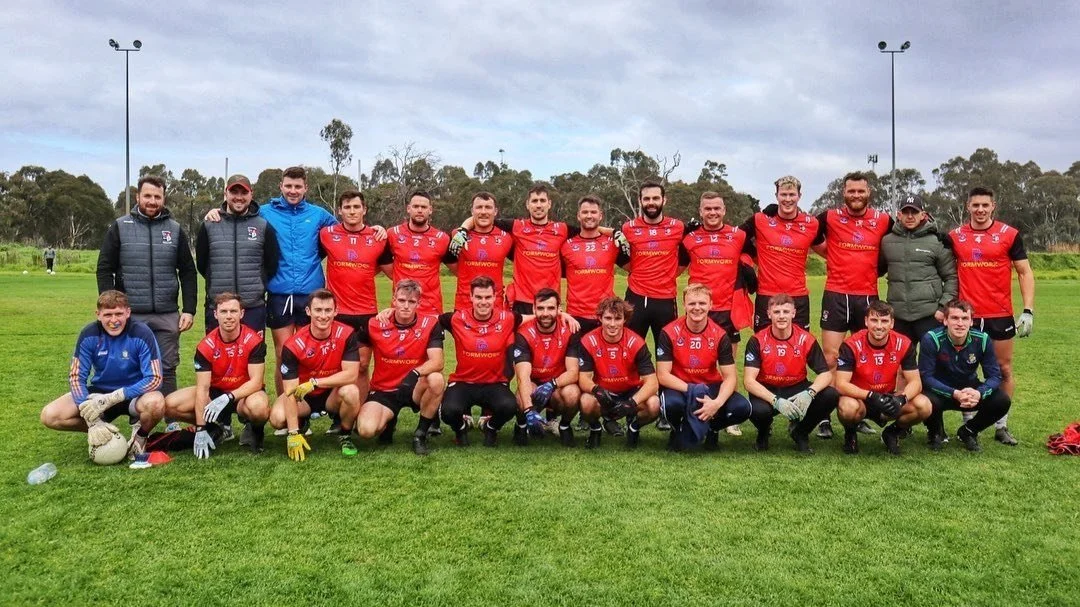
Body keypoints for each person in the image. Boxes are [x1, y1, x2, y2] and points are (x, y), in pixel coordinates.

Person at [436, 276, 577, 447]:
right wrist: (394, 312)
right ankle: (460, 429)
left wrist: (562, 314)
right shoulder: (456, 318)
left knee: (509, 406)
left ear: (495, 297)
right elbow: (428, 319)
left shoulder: (507, 318)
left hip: (494, 383)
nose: (483, 302)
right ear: (471, 297)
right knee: (448, 411)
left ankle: (491, 427)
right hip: (463, 382)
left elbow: (536, 316)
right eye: (479, 297)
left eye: (488, 297)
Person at [946, 186, 1035, 446]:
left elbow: (1024, 272)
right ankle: (969, 425)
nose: (981, 210)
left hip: (999, 314)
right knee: (965, 371)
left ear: (993, 206)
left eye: (985, 205)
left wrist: (1028, 310)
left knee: (1003, 369)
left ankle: (1001, 426)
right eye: (976, 205)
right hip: (966, 316)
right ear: (967, 207)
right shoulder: (955, 236)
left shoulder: (1009, 234)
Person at [97, 174, 197, 396]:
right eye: (148, 196)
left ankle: (171, 419)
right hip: (131, 314)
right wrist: (111, 307)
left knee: (168, 366)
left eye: (157, 197)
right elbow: (105, 268)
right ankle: (136, 417)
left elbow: (188, 271)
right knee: (131, 367)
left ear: (164, 198)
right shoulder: (120, 227)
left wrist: (189, 309)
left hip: (167, 313)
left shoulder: (174, 228)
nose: (152, 201)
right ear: (137, 196)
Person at [813, 172, 893, 439]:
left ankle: (859, 414)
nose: (856, 195)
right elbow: (806, 233)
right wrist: (831, 253)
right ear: (843, 192)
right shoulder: (829, 217)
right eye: (851, 191)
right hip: (835, 294)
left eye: (860, 191)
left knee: (862, 359)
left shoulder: (882, 219)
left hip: (867, 297)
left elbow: (900, 239)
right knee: (831, 357)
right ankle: (824, 416)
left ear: (868, 192)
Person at [40, 290, 165, 460]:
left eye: (119, 314)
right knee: (50, 415)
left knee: (156, 403)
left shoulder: (142, 333)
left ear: (128, 312)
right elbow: (77, 377)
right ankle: (106, 432)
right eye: (108, 315)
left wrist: (116, 396)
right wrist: (92, 420)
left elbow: (155, 379)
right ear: (98, 315)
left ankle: (140, 437)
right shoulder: (89, 334)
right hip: (99, 394)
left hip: (134, 395)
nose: (114, 320)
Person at [162, 292, 270, 457]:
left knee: (259, 407)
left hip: (243, 394)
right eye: (224, 312)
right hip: (215, 395)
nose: (228, 316)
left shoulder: (254, 340)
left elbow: (256, 382)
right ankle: (214, 428)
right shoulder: (206, 346)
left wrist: (229, 397)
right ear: (215, 314)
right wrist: (200, 429)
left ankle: (255, 431)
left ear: (241, 314)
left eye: (233, 311)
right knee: (169, 404)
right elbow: (203, 389)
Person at [319, 190, 387, 434]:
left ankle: (358, 412)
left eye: (356, 207)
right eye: (347, 207)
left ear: (364, 209)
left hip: (366, 312)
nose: (352, 211)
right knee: (339, 367)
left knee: (361, 366)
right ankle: (339, 415)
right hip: (337, 313)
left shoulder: (378, 237)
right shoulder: (327, 234)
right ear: (339, 211)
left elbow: (390, 269)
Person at [268, 289, 363, 460]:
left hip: (331, 394)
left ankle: (345, 434)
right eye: (318, 310)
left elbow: (351, 375)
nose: (323, 316)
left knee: (351, 391)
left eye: (328, 310)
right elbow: (289, 391)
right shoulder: (293, 345)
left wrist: (315, 382)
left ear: (336, 311)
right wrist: (292, 433)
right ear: (308, 311)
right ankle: (301, 425)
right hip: (302, 395)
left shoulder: (347, 333)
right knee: (276, 418)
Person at [655, 284, 753, 451]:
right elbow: (663, 375)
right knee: (669, 404)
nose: (697, 308)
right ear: (684, 305)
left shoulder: (720, 334)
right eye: (692, 304)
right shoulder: (669, 332)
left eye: (702, 303)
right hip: (680, 386)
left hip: (710, 386)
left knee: (743, 408)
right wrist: (692, 389)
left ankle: (712, 429)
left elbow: (730, 376)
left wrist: (717, 402)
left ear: (710, 305)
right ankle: (678, 430)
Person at [353, 280, 445, 456]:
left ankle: (420, 435)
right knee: (366, 430)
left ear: (419, 303)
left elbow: (438, 362)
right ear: (394, 300)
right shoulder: (374, 324)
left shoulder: (430, 324)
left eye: (411, 302)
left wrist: (414, 373)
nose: (405, 306)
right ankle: (389, 422)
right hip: (383, 390)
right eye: (402, 300)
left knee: (436, 379)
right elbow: (362, 364)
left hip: (413, 387)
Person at [744, 294, 840, 454]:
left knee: (830, 395)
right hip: (767, 389)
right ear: (769, 314)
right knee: (758, 411)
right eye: (777, 312)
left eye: (786, 312)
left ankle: (801, 432)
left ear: (794, 313)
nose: (781, 316)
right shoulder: (757, 340)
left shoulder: (806, 339)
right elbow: (749, 381)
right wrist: (775, 401)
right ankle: (763, 433)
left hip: (796, 388)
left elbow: (825, 374)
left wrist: (809, 393)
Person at [834, 301, 932, 455]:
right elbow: (840, 384)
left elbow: (915, 382)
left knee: (924, 405)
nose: (879, 326)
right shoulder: (851, 345)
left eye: (884, 321)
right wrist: (871, 396)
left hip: (889, 398)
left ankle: (892, 433)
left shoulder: (904, 343)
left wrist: (901, 399)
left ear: (892, 323)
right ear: (866, 321)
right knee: (847, 408)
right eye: (874, 320)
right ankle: (850, 433)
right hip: (862, 398)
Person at [919, 299, 1012, 452]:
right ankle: (935, 432)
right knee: (925, 399)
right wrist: (954, 393)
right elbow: (926, 377)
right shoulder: (931, 339)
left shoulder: (982, 339)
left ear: (971, 322)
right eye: (954, 318)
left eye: (964, 319)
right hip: (941, 391)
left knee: (1001, 400)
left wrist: (978, 393)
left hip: (969, 390)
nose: (960, 323)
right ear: (945, 321)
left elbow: (995, 376)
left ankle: (968, 431)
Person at [195, 174, 279, 335]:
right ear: (226, 193)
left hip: (253, 307)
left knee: (254, 358)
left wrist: (257, 285)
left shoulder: (263, 226)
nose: (239, 197)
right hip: (218, 307)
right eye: (234, 192)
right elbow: (202, 264)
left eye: (243, 193)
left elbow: (271, 264)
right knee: (218, 358)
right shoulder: (209, 225)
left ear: (251, 194)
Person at [576, 297, 661, 449]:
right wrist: (597, 390)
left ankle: (633, 427)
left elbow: (652, 382)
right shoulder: (588, 341)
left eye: (618, 318)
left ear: (625, 319)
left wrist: (632, 402)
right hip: (604, 392)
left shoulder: (636, 342)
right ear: (600, 318)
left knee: (654, 404)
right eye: (608, 318)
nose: (612, 324)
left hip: (629, 392)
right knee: (586, 402)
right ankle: (595, 429)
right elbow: (583, 378)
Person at [739, 175, 819, 332]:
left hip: (798, 296)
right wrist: (755, 257)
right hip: (767, 295)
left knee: (798, 348)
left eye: (792, 195)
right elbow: (736, 238)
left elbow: (828, 248)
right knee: (763, 347)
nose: (787, 199)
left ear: (799, 196)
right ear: (776, 196)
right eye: (783, 194)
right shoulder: (760, 220)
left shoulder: (812, 224)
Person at [879, 194, 957, 342]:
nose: (910, 216)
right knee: (901, 363)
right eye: (906, 212)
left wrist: (943, 308)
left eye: (914, 212)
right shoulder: (887, 241)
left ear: (922, 214)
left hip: (929, 315)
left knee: (933, 363)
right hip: (898, 315)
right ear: (899, 214)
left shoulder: (937, 241)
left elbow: (951, 277)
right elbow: (876, 269)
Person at [512, 288, 581, 447]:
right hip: (534, 382)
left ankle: (564, 425)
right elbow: (523, 376)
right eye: (541, 308)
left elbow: (573, 372)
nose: (545, 313)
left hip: (557, 384)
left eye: (550, 308)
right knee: (520, 398)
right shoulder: (523, 333)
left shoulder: (570, 330)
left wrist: (552, 384)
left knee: (573, 393)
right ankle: (522, 425)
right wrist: (529, 410)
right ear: (533, 309)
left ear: (559, 309)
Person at [620, 180, 687, 342]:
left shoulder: (678, 227)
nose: (651, 203)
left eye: (655, 198)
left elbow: (687, 257)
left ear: (664, 200)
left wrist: (670, 275)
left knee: (667, 352)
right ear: (640, 201)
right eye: (647, 199)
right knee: (630, 350)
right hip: (635, 297)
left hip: (665, 299)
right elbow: (619, 255)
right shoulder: (628, 228)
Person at [561, 195, 630, 336]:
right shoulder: (566, 245)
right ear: (578, 216)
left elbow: (632, 268)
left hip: (604, 315)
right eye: (585, 212)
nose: (589, 216)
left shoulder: (613, 243)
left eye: (593, 212)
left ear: (600, 216)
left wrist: (615, 232)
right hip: (576, 317)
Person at [380, 190, 454, 317]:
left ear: (430, 210)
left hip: (431, 310)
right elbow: (385, 264)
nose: (419, 210)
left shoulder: (442, 239)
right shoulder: (392, 234)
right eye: (415, 206)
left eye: (424, 207)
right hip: (401, 309)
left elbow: (458, 269)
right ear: (408, 208)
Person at [446, 192, 513, 310]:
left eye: (488, 207)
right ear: (472, 211)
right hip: (464, 305)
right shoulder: (457, 236)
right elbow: (448, 260)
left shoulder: (506, 238)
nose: (483, 212)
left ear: (495, 211)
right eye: (479, 207)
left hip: (494, 306)